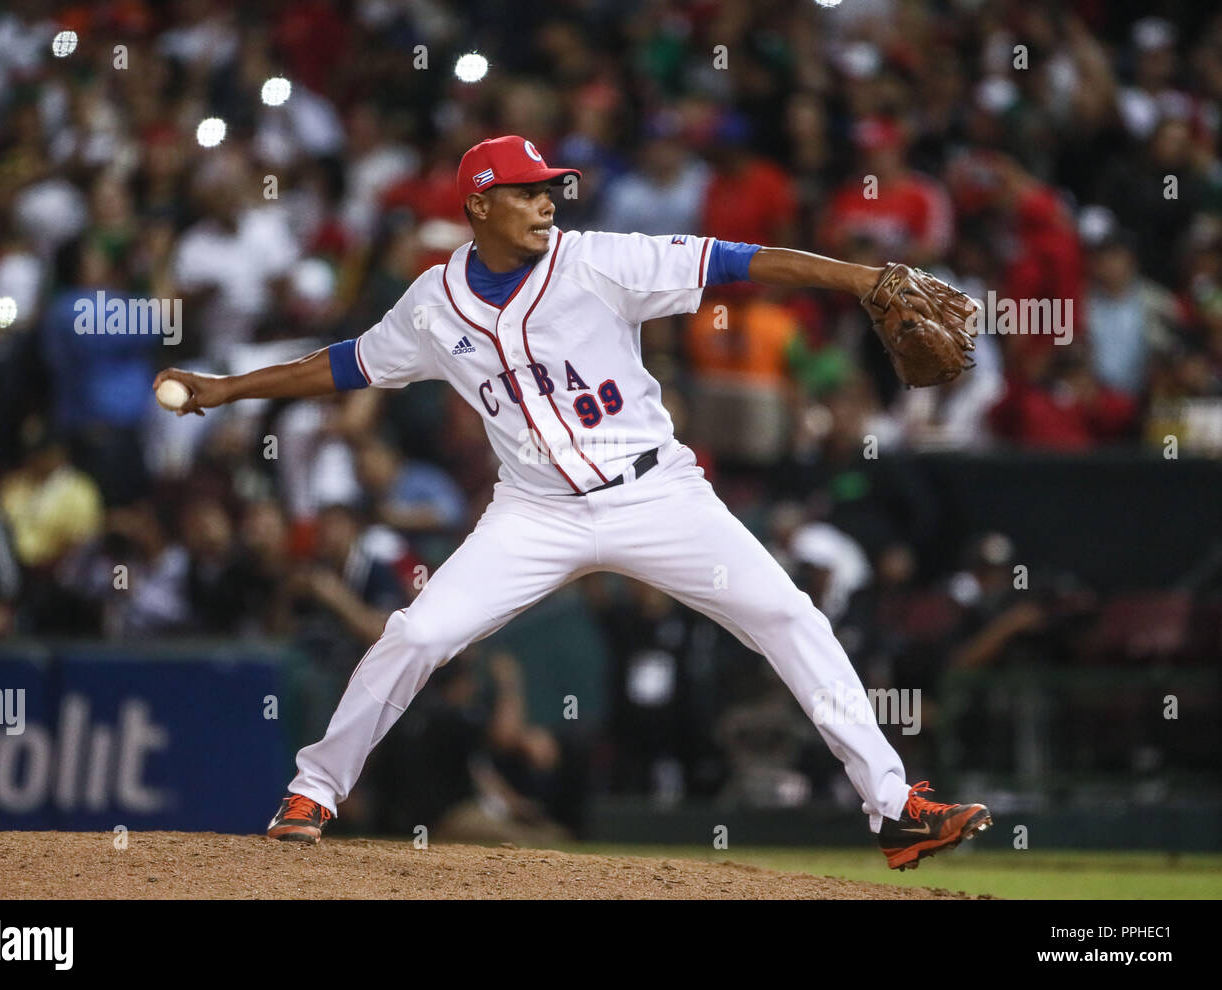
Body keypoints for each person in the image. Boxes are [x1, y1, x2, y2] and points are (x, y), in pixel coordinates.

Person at [155, 135, 991, 870]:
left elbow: (741, 260)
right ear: (479, 204)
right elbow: (344, 365)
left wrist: (864, 278)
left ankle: (895, 809)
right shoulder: (432, 301)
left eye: (550, 187)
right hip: (533, 514)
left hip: (658, 495)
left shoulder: (599, 260)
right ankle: (312, 794)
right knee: (417, 632)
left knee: (791, 617)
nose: (546, 201)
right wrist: (225, 390)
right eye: (525, 190)